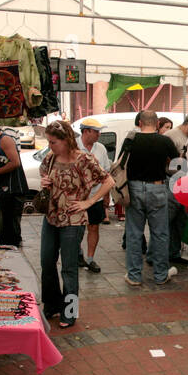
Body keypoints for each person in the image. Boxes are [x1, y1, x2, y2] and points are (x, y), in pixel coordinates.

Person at [39, 120, 114, 328]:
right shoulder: (51, 157)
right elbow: (43, 172)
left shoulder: (84, 160)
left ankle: (70, 311)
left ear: (66, 141)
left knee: (69, 267)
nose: (50, 145)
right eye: (49, 142)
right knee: (47, 262)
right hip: (51, 217)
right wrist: (44, 181)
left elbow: (108, 181)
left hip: (73, 220)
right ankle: (52, 304)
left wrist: (89, 201)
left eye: (53, 142)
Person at [121, 110, 180, 287]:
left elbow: (121, 163)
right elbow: (177, 163)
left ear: (140, 123)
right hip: (157, 188)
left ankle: (134, 276)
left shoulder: (131, 140)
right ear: (156, 124)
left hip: (134, 188)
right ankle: (161, 275)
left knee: (134, 233)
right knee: (160, 233)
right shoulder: (165, 141)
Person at [77, 117, 111, 273]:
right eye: (96, 132)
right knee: (76, 228)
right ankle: (77, 253)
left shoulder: (101, 148)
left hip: (94, 196)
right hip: (76, 197)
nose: (99, 135)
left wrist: (105, 196)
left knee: (93, 227)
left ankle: (90, 259)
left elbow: (106, 173)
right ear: (86, 131)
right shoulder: (73, 146)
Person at [166, 113, 188, 264]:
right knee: (167, 220)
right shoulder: (171, 136)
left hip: (184, 183)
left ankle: (173, 253)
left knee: (180, 220)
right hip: (172, 181)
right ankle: (156, 254)